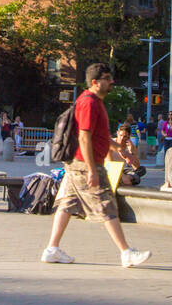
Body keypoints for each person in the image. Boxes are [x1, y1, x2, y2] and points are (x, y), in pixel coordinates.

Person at [41, 63, 150, 269]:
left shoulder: (94, 101)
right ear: (94, 82)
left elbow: (98, 134)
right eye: (107, 79)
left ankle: (52, 249)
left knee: (68, 204)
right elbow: (84, 137)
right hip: (85, 162)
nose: (111, 82)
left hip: (79, 162)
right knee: (106, 204)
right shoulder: (89, 103)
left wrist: (117, 146)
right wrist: (92, 169)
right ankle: (126, 252)